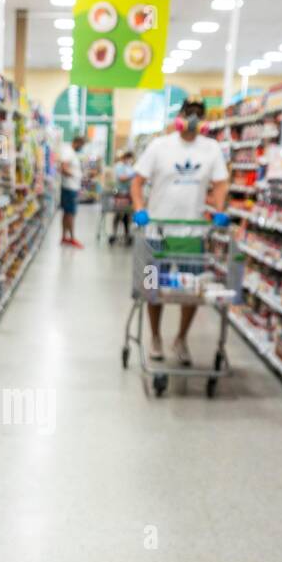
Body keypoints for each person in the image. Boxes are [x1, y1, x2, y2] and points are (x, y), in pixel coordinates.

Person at [130, 98, 229, 366]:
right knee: (153, 289)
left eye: (199, 114)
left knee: (193, 292)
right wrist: (140, 208)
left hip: (191, 233)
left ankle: (181, 338)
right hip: (156, 233)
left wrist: (219, 209)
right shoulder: (160, 146)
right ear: (180, 116)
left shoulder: (211, 149)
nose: (194, 119)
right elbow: (137, 181)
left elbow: (220, 182)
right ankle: (156, 337)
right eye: (190, 113)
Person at [59, 134, 86, 248]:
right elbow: (63, 168)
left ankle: (65, 237)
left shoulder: (71, 152)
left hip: (70, 187)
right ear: (77, 142)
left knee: (67, 213)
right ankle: (72, 238)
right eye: (82, 145)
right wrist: (76, 175)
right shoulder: (68, 152)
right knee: (71, 214)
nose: (82, 147)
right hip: (70, 188)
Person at [110, 150, 136, 244]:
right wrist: (132, 175)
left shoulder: (129, 167)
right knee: (118, 213)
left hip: (128, 194)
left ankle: (127, 234)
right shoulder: (119, 166)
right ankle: (114, 233)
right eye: (128, 158)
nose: (130, 160)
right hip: (120, 193)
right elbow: (121, 178)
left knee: (126, 215)